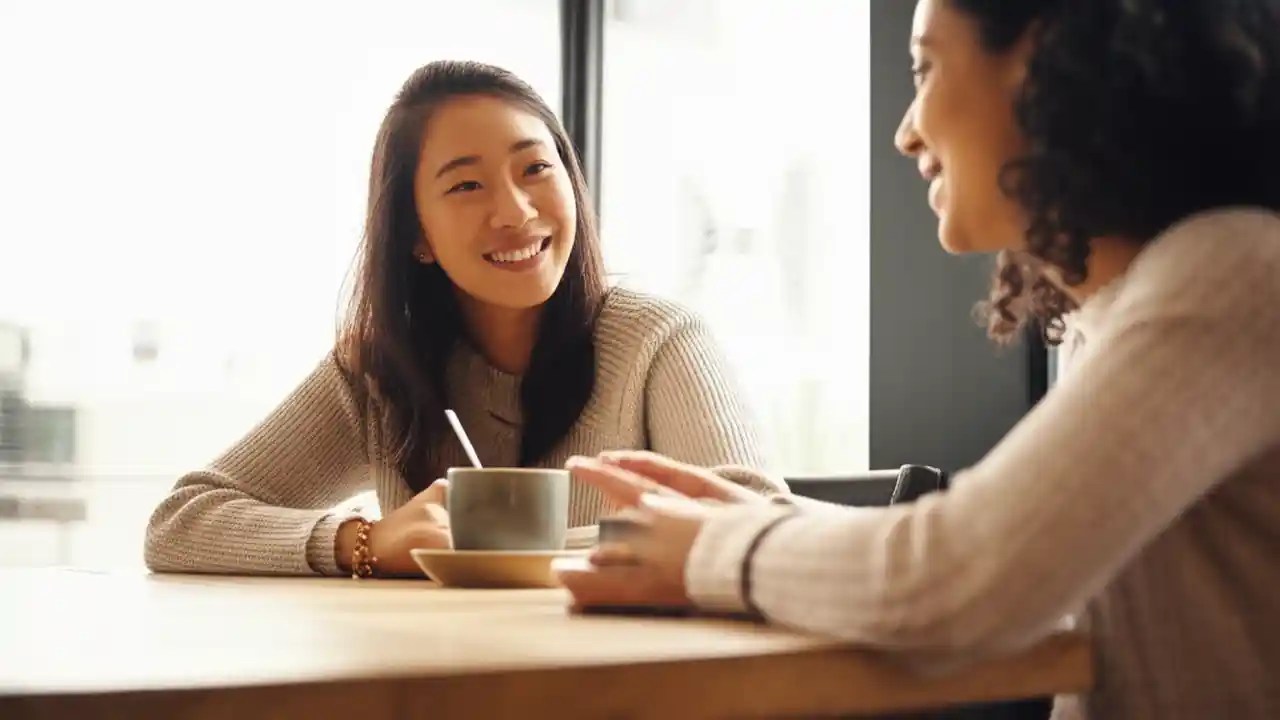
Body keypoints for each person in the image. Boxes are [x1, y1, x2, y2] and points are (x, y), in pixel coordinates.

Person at [555, 1, 1280, 718]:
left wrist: (716, 552)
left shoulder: (1227, 277)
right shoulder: (1133, 310)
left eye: (927, 67)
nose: (905, 132)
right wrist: (768, 518)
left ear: (1047, 64)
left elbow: (966, 579)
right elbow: (1024, 563)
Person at [144, 60, 780, 579]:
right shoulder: (378, 369)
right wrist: (364, 540)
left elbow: (765, 527)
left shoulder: (656, 342)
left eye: (535, 169)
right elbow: (181, 523)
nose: (516, 211)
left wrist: (525, 551)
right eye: (466, 186)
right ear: (416, 234)